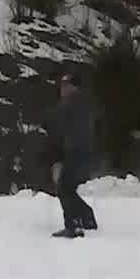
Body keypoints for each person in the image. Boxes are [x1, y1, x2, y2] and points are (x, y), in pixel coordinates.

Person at [46, 71, 98, 238]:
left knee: (64, 187)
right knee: (67, 187)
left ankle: (73, 225)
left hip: (76, 151)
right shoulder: (83, 102)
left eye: (66, 85)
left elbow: (56, 121)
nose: (63, 89)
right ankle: (87, 217)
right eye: (62, 86)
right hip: (83, 151)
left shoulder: (72, 102)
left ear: (74, 87)